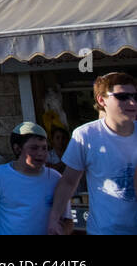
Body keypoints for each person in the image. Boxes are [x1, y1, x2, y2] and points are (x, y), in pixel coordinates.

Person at [48, 72, 137, 235]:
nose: (132, 102)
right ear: (101, 100)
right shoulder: (86, 135)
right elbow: (68, 181)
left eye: (134, 96)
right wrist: (54, 218)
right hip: (104, 231)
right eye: (122, 96)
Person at [0, 122, 64, 235]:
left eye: (44, 148)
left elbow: (67, 221)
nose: (41, 153)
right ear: (17, 149)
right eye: (34, 148)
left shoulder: (55, 178)